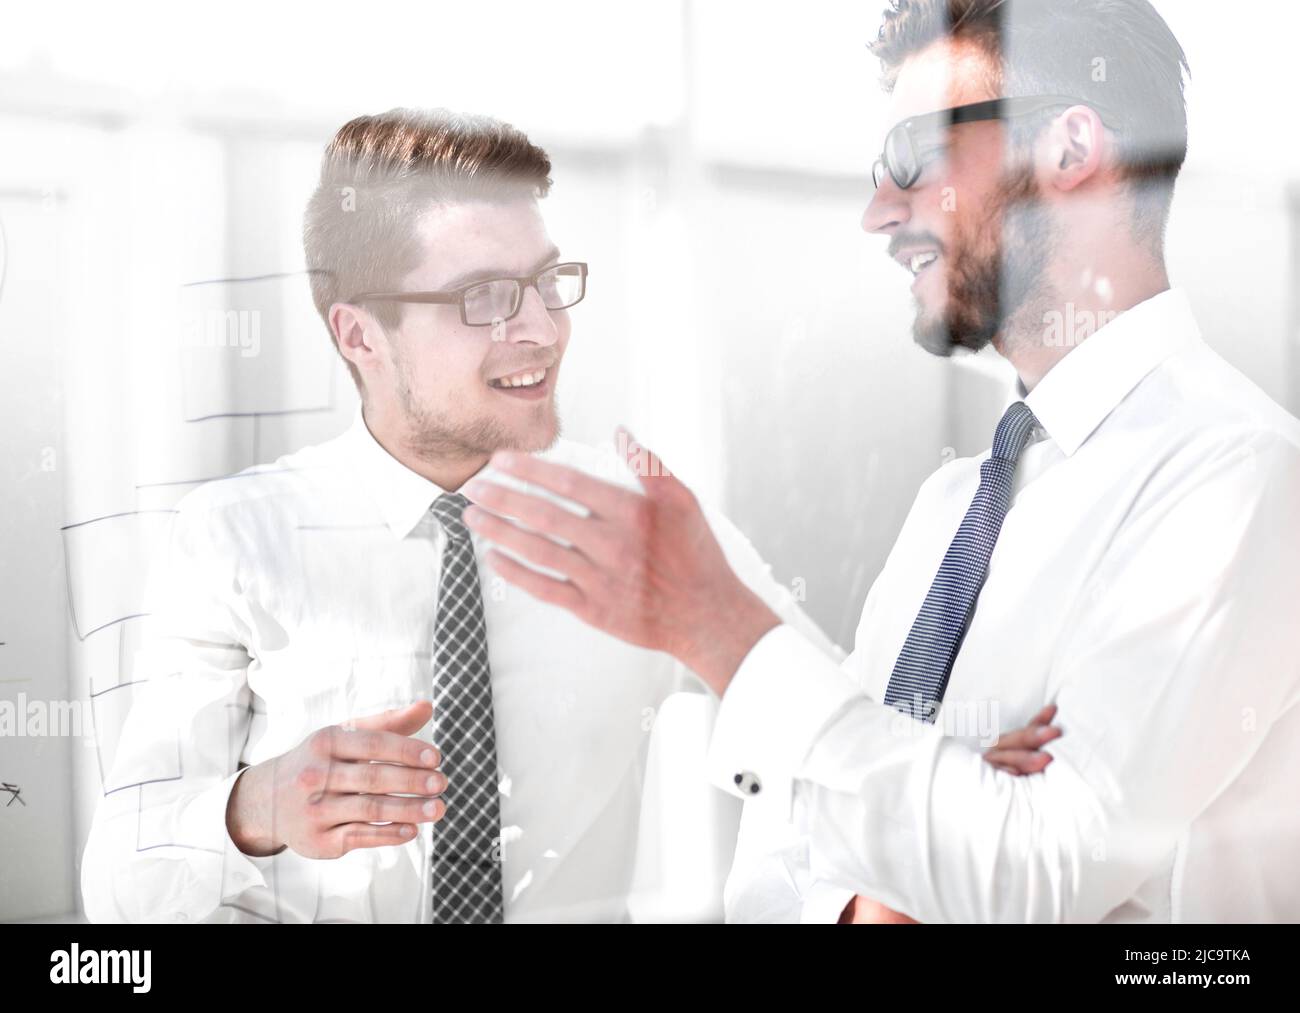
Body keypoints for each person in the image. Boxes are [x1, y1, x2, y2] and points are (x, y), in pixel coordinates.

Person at [464, 0, 1300, 923]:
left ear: (1070, 150)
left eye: (914, 159)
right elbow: (775, 880)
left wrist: (720, 624)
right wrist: (901, 873)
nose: (877, 213)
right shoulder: (951, 506)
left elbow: (1043, 869)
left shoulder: (1238, 474)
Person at [79, 108, 855, 924]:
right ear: (361, 335)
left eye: (547, 284)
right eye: (484, 297)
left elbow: (846, 738)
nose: (543, 330)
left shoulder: (636, 521)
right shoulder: (235, 539)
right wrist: (255, 808)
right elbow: (120, 883)